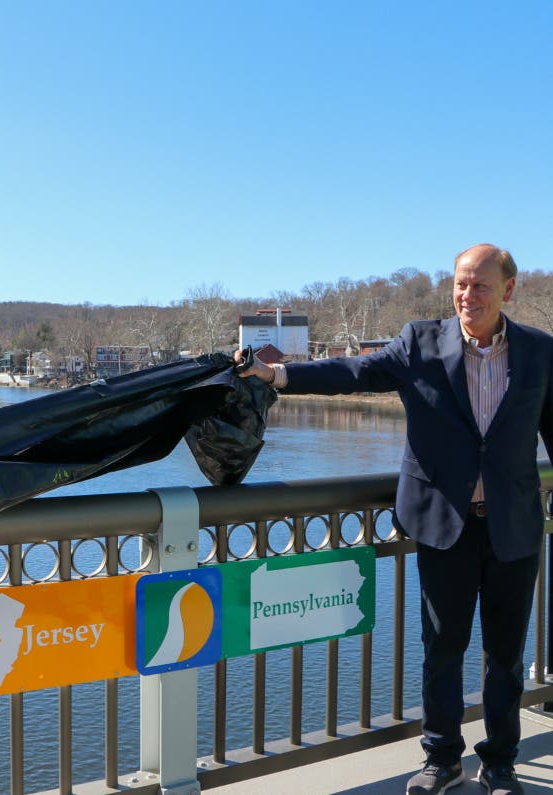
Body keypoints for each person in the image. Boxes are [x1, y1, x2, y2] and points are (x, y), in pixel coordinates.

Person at [236, 243, 553, 795]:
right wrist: (277, 375)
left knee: (505, 656)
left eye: (480, 285)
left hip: (514, 525)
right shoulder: (420, 343)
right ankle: (442, 760)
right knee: (442, 650)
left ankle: (500, 762)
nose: (467, 295)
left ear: (507, 289)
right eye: (460, 283)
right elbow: (353, 372)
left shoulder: (540, 351)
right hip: (444, 525)